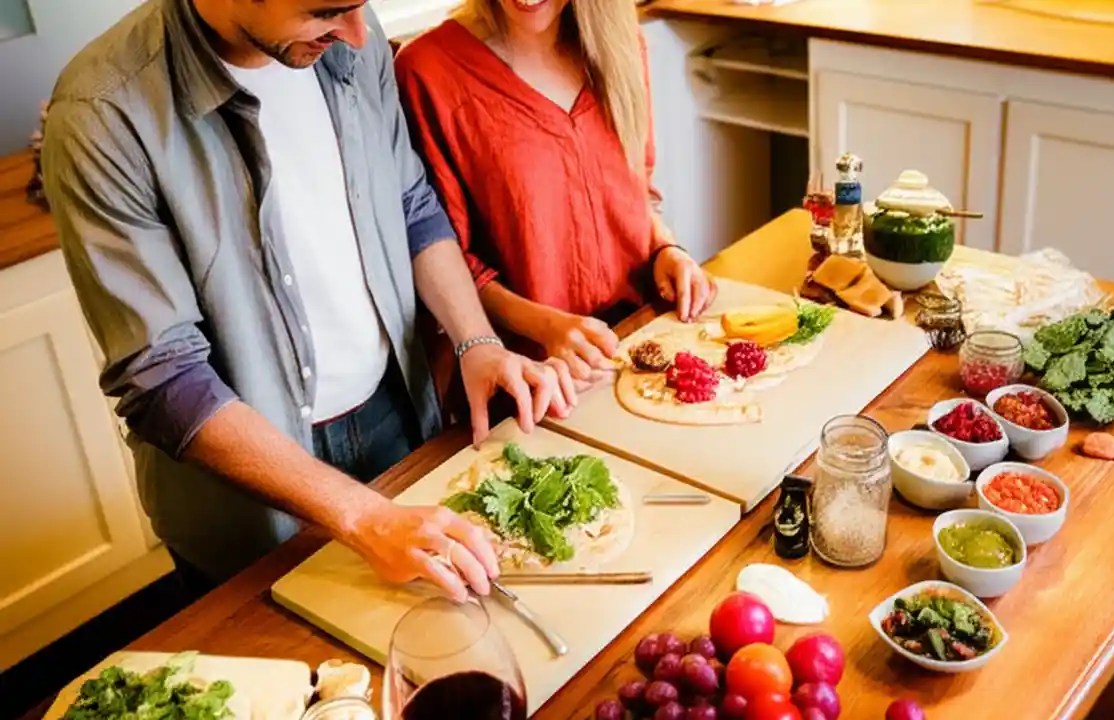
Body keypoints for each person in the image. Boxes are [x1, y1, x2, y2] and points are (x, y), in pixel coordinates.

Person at [40, 0, 573, 601]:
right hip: (248, 489)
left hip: (396, 416)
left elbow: (410, 204)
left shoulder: (352, 30)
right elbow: (164, 376)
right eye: (327, 12)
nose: (356, 31)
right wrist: (360, 514)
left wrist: (476, 341)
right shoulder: (103, 112)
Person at [394, 0, 716, 390]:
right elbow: (447, 260)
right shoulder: (428, 70)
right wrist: (546, 326)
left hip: (641, 345)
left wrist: (666, 249)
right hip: (530, 377)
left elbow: (635, 189)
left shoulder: (621, 43)